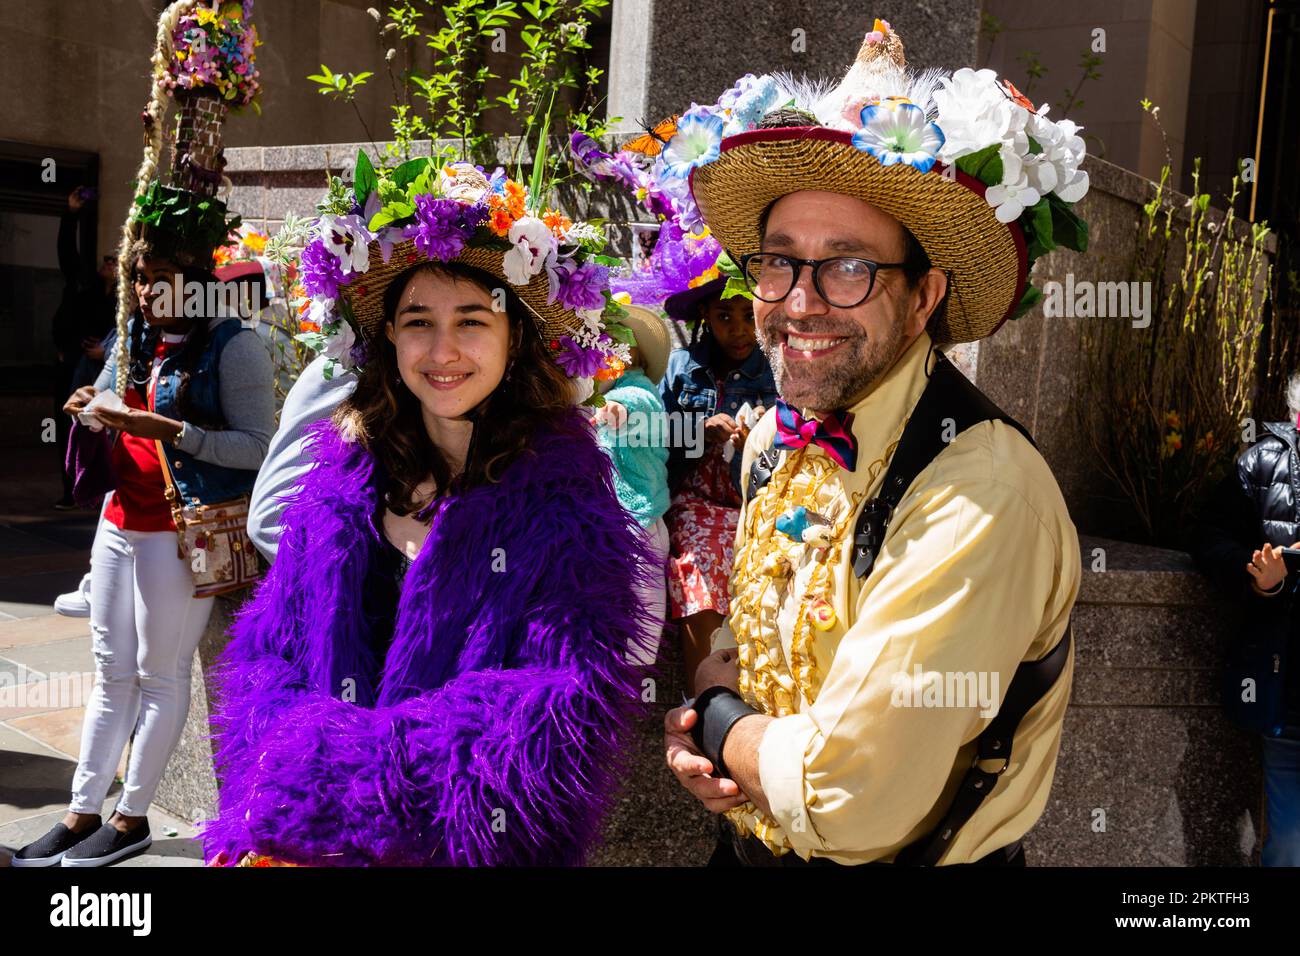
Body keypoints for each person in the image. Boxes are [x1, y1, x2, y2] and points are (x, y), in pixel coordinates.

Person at [661, 18, 1090, 866]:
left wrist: (716, 716)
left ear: (925, 296)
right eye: (777, 263)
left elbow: (848, 802)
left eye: (849, 267)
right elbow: (754, 633)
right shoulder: (770, 447)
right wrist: (715, 730)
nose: (800, 303)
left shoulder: (982, 489)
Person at [197, 156, 657, 867]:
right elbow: (268, 655)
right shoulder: (334, 490)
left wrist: (344, 767)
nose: (442, 352)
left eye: (473, 319)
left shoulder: (566, 508)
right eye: (418, 321)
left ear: (516, 339)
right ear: (387, 339)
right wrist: (278, 782)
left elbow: (555, 706)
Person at [14, 242, 275, 867]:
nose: (145, 291)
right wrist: (88, 406)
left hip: (181, 532)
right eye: (139, 278)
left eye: (160, 279)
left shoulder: (231, 345)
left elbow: (257, 446)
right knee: (111, 671)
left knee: (161, 675)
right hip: (118, 520)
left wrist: (172, 432)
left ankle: (132, 820)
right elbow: (104, 396)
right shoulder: (132, 332)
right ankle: (82, 814)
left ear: (196, 285)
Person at [1191, 370, 1300, 866]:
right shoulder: (1263, 462)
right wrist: (1260, 575)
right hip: (1287, 693)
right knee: (1288, 845)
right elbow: (1208, 535)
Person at [659, 281, 777, 692]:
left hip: (758, 500)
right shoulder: (681, 365)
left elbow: (806, 440)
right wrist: (699, 429)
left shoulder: (780, 367)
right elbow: (654, 433)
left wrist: (763, 439)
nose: (738, 329)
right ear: (705, 316)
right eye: (724, 317)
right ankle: (704, 705)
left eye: (748, 315)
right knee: (700, 560)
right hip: (695, 499)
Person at [591, 304, 674, 665]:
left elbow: (634, 406)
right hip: (608, 520)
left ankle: (635, 673)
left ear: (637, 357)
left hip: (639, 520)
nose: (611, 352)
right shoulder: (586, 398)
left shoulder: (637, 390)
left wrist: (615, 410)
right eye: (602, 342)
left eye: (620, 345)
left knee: (643, 604)